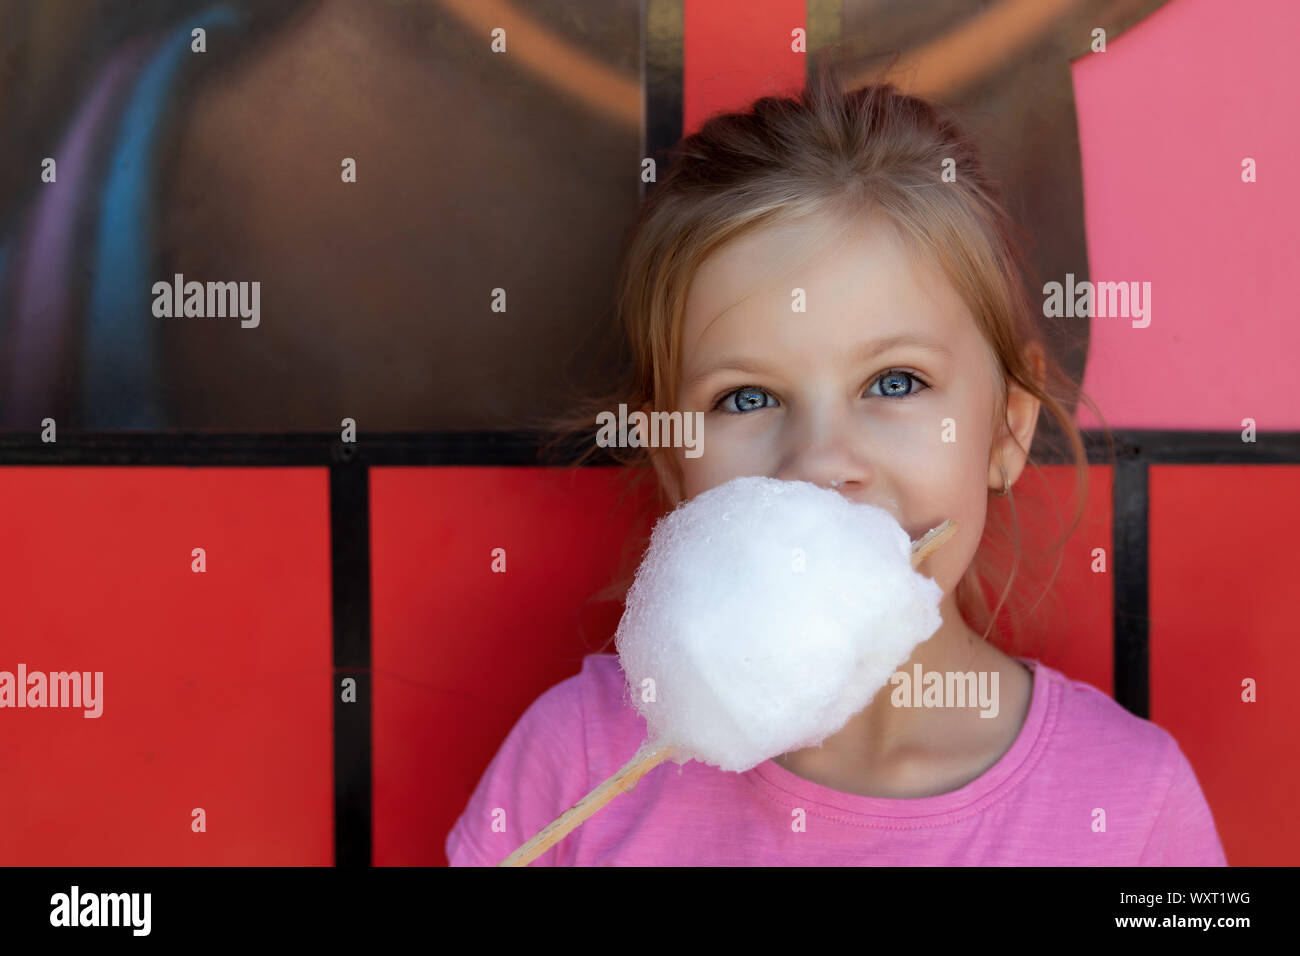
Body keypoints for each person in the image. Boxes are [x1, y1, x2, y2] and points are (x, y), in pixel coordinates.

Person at [446, 68, 1227, 866]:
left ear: (1006, 431)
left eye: (895, 383)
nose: (821, 464)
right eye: (746, 398)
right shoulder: (572, 766)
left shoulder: (1133, 804)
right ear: (673, 461)